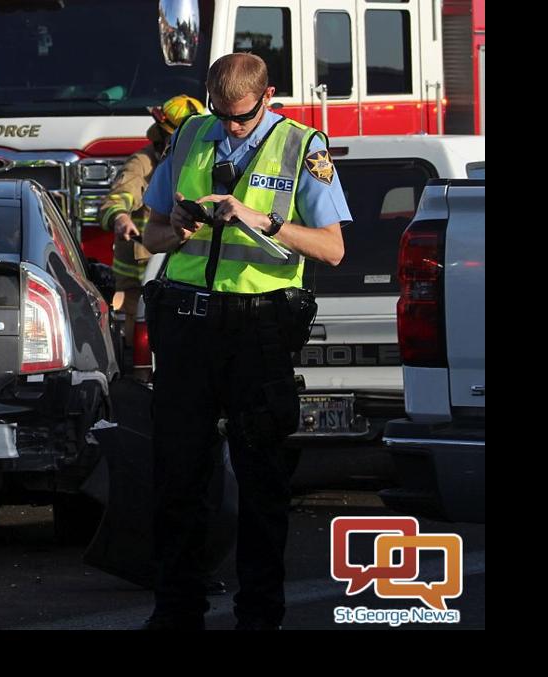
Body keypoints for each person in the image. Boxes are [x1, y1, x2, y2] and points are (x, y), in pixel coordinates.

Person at [132, 53, 350, 630]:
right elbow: (151, 235)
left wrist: (263, 219)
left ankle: (261, 613)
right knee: (178, 474)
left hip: (258, 329)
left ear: (268, 96)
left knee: (262, 476)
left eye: (243, 117)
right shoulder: (189, 137)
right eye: (222, 114)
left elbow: (332, 249)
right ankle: (176, 610)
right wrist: (174, 228)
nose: (230, 127)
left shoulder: (304, 146)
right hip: (186, 324)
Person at [97, 94, 205, 339]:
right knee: (142, 321)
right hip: (141, 266)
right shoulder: (143, 163)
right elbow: (119, 196)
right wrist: (120, 217)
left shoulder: (198, 161)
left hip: (178, 260)